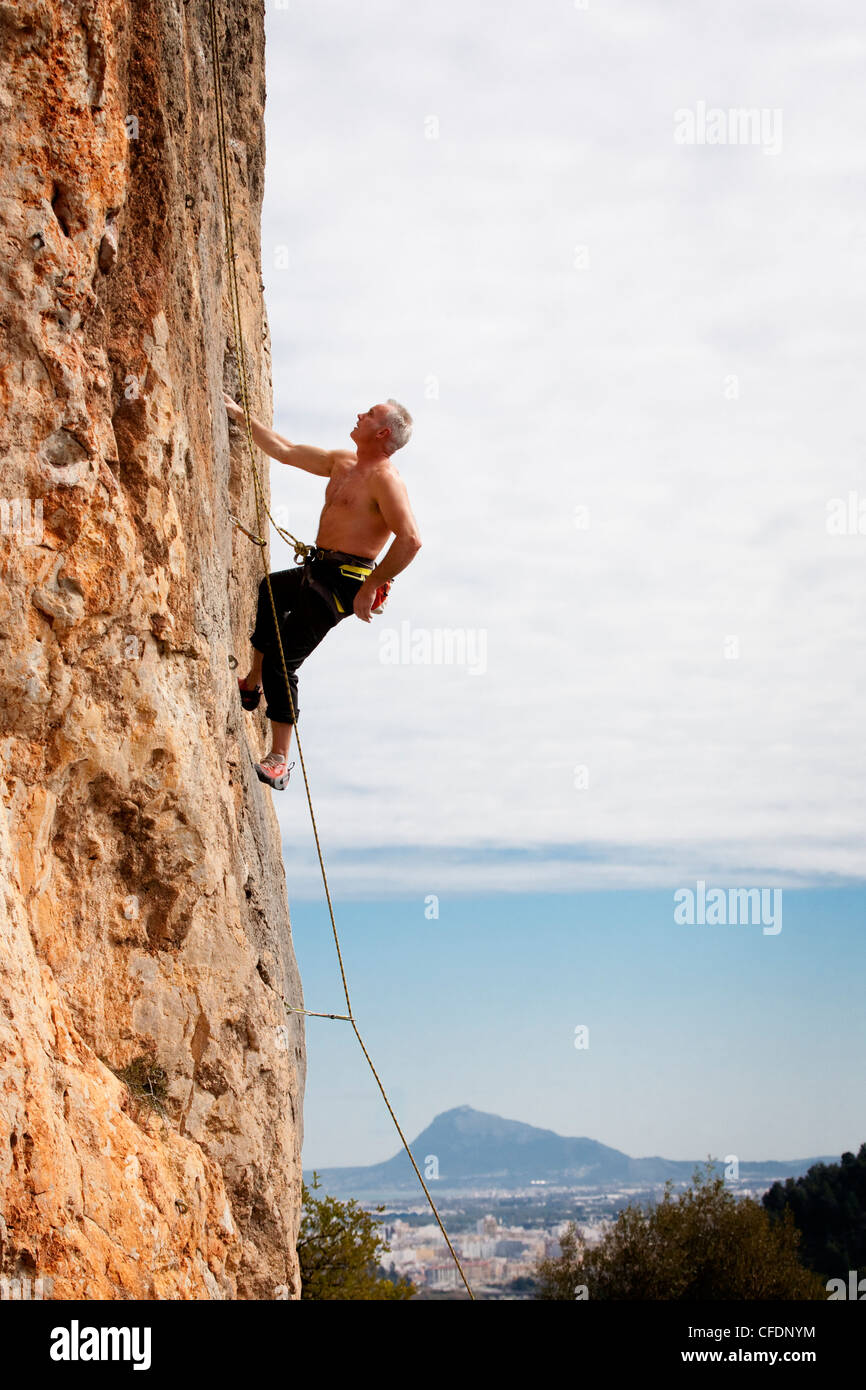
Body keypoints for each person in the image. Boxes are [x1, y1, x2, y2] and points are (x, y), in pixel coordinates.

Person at [223, 394, 422, 789]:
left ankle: (279, 759)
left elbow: (411, 540)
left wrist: (371, 586)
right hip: (319, 567)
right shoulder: (341, 462)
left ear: (382, 432)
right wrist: (242, 415)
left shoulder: (385, 480)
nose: (359, 414)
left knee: (285, 659)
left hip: (345, 580)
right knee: (271, 590)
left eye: (369, 414)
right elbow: (285, 450)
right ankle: (253, 682)